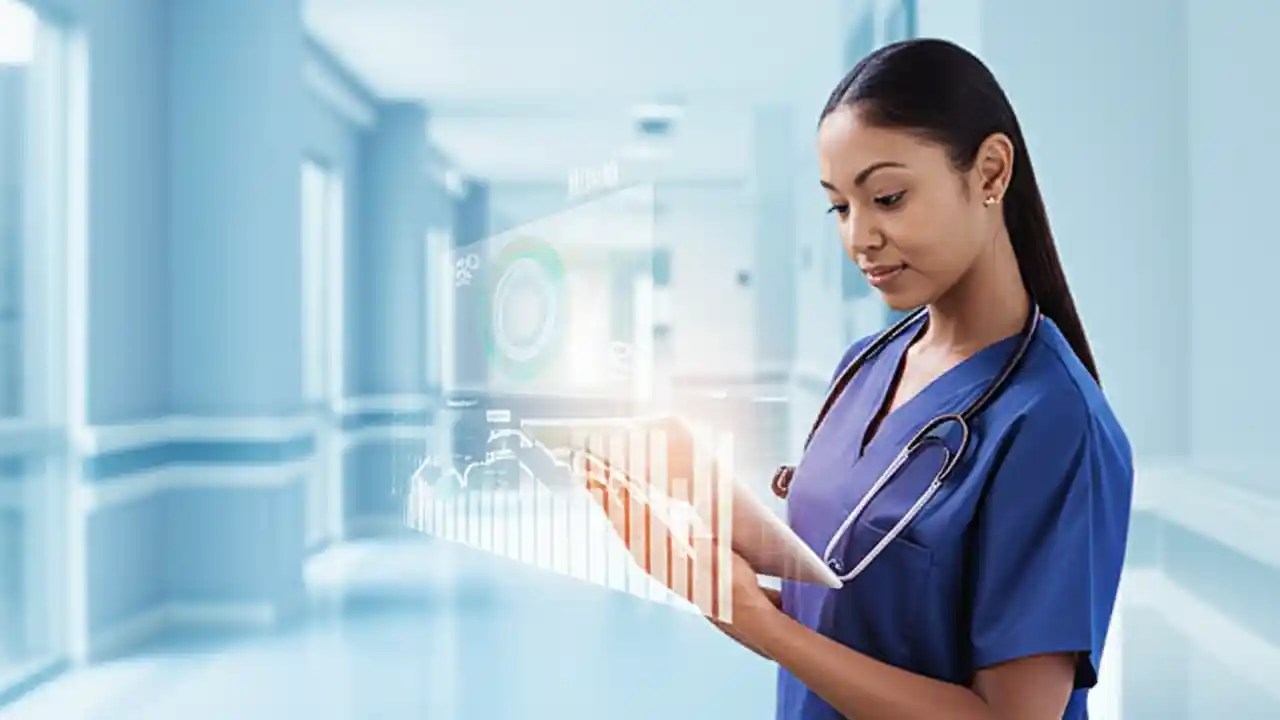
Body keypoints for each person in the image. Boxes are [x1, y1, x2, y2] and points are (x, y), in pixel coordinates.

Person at [694, 38, 1132, 719]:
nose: (859, 237)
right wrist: (702, 511)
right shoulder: (864, 366)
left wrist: (768, 630)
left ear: (990, 173)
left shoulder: (1052, 422)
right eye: (839, 207)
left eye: (888, 198)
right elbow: (853, 590)